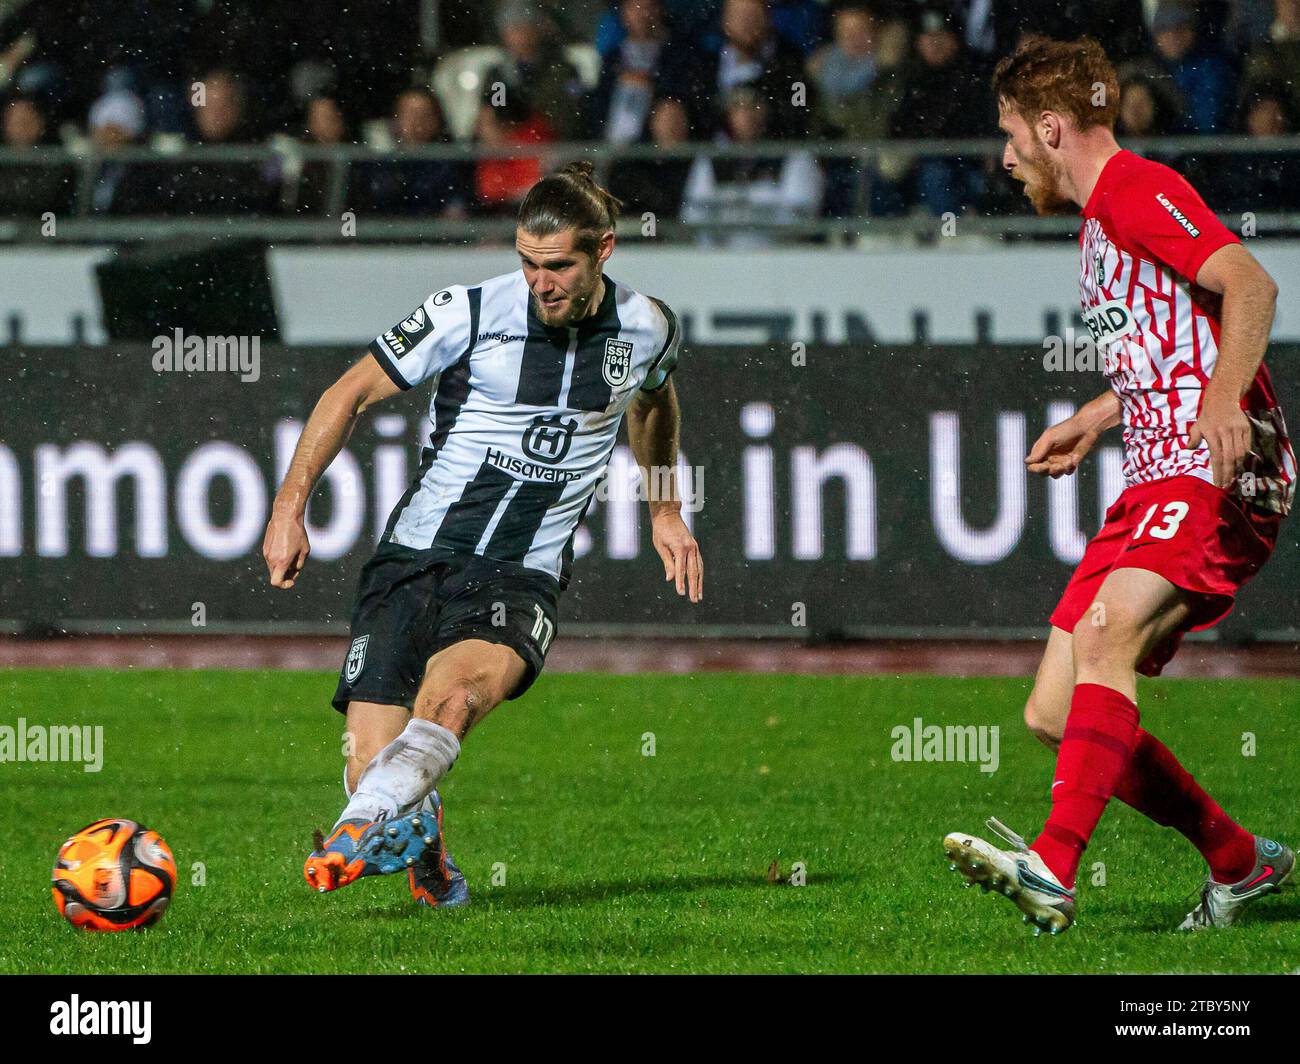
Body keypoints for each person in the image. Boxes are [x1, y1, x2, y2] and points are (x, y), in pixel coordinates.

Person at [262, 162, 702, 906]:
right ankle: (412, 835)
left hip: (519, 572)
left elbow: (654, 404)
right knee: (375, 760)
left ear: (604, 250)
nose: (542, 282)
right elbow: (350, 393)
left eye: (560, 264)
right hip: (415, 555)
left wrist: (663, 508)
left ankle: (352, 830)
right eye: (529, 265)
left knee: (453, 703)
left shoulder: (647, 326)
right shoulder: (466, 311)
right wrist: (287, 507)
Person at [943, 35, 1296, 935]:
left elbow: (1252, 286)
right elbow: (1168, 339)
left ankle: (1052, 869)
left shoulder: (1139, 190)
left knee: (1105, 637)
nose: (1007, 154)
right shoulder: (1102, 221)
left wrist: (1225, 403)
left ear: (1051, 125)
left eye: (1013, 133)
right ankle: (1241, 861)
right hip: (1149, 472)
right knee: (1053, 710)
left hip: (1217, 468)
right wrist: (1095, 418)